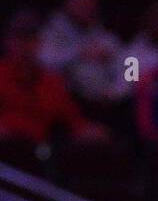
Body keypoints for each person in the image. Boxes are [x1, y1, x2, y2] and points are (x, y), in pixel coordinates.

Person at [0, 10, 105, 146]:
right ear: (7, 42)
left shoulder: (51, 82)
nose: (24, 46)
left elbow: (75, 122)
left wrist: (93, 132)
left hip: (35, 155)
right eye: (19, 39)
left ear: (40, 42)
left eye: (31, 39)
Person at [38, 0, 121, 104]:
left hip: (108, 99)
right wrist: (80, 53)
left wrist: (119, 88)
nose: (88, 8)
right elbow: (44, 61)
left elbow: (130, 63)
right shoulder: (51, 31)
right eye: (82, 3)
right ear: (68, 4)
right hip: (69, 99)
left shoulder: (103, 35)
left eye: (92, 4)